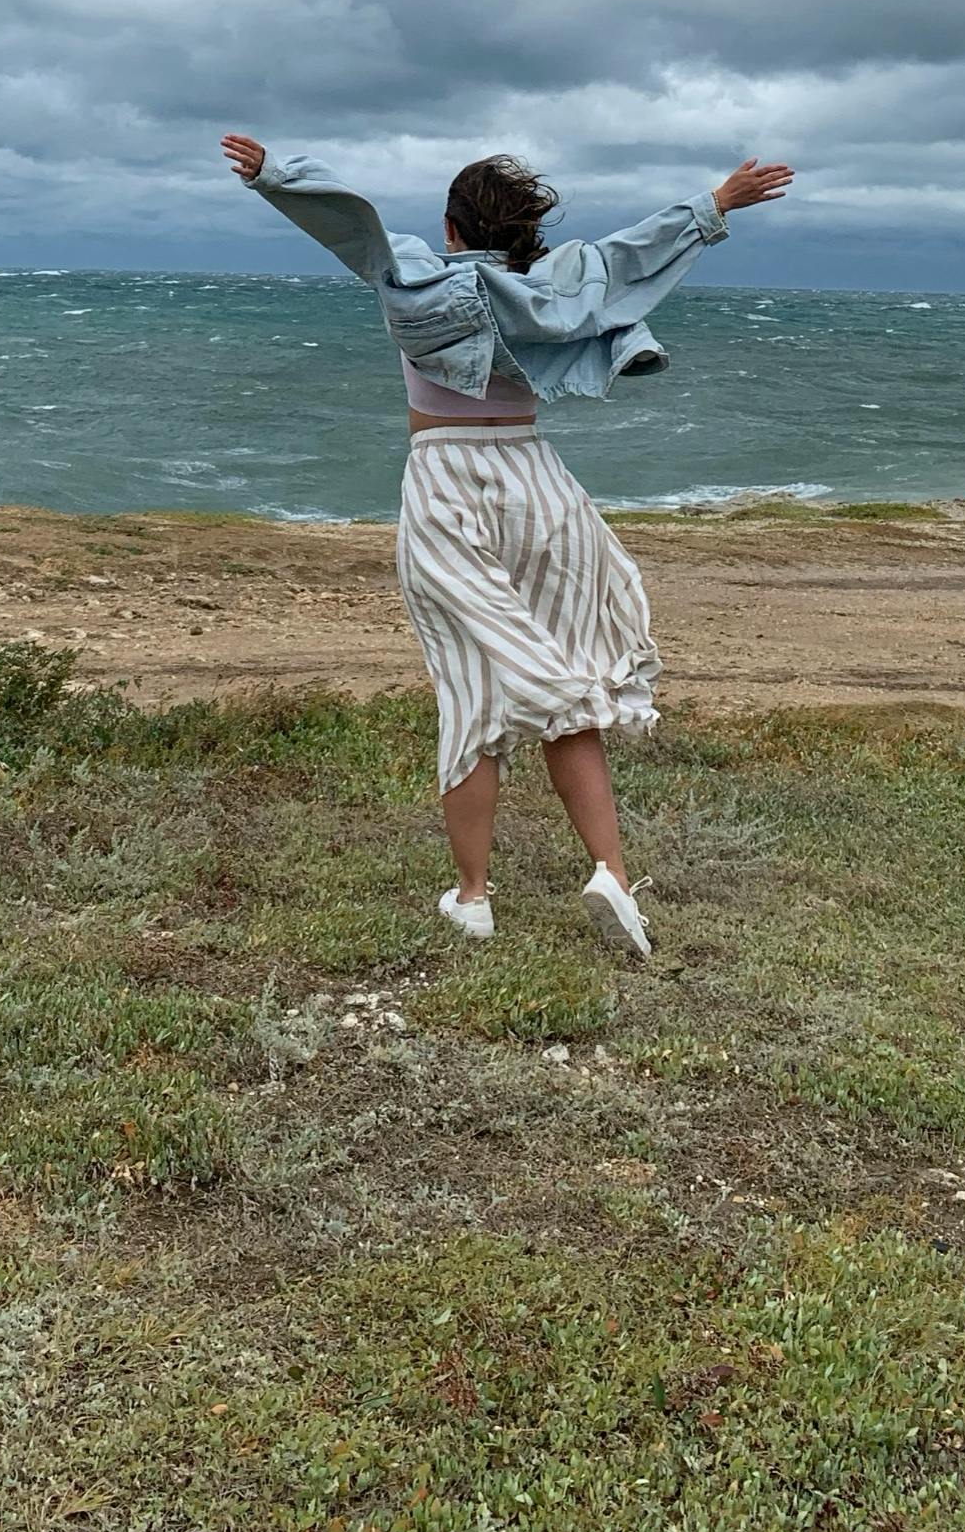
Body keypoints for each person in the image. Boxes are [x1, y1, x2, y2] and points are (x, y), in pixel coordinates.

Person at [219, 133, 795, 956]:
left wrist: (275, 175)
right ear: (523, 233)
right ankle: (611, 876)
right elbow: (632, 257)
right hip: (539, 486)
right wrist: (717, 203)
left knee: (471, 692)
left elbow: (350, 223)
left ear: (452, 229)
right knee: (567, 687)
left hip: (448, 483)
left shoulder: (417, 275)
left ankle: (474, 895)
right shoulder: (559, 286)